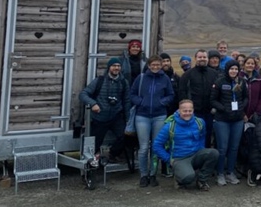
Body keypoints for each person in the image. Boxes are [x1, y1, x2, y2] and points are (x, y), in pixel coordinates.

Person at [153, 100, 219, 191]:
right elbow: (157, 145)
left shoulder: (199, 122)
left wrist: (201, 149)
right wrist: (169, 160)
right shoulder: (170, 126)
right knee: (188, 178)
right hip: (179, 158)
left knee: (214, 153)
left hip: (195, 154)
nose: (187, 113)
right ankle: (179, 177)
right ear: (179, 111)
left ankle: (201, 180)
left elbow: (202, 136)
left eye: (190, 111)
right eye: (184, 111)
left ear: (193, 110)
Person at [130, 55, 174, 187]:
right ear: (149, 66)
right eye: (153, 65)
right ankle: (143, 175)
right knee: (143, 148)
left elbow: (171, 95)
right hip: (142, 116)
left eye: (158, 65)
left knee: (156, 147)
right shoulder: (141, 78)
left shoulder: (165, 78)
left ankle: (153, 174)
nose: (155, 67)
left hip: (159, 116)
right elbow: (132, 94)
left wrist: (162, 102)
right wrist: (140, 102)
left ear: (161, 66)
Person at [79, 57, 131, 163]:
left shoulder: (124, 82)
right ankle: (93, 163)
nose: (116, 68)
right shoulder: (99, 80)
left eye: (118, 66)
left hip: (116, 117)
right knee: (95, 143)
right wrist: (93, 104)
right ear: (109, 67)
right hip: (100, 117)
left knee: (125, 136)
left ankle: (111, 154)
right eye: (114, 66)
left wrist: (128, 119)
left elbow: (126, 101)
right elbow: (83, 94)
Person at [211, 61, 248, 185]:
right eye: (231, 69)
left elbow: (246, 97)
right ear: (227, 70)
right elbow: (213, 100)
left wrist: (242, 107)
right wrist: (223, 108)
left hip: (237, 119)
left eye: (236, 69)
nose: (233, 71)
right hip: (222, 119)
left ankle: (230, 172)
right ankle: (220, 173)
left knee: (234, 147)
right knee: (222, 148)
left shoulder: (241, 81)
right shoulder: (220, 82)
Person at [178, 50, 216, 147]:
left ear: (207, 59)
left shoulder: (214, 74)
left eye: (204, 57)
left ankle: (206, 157)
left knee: (207, 135)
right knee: (193, 136)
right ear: (195, 59)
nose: (202, 59)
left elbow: (217, 92)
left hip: (209, 112)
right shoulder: (188, 75)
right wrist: (186, 109)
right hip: (194, 112)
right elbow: (182, 92)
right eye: (200, 57)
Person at [242, 56, 261, 120]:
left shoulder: (259, 79)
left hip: (254, 114)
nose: (250, 65)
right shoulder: (238, 78)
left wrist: (257, 112)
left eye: (252, 64)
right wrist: (242, 114)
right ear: (244, 65)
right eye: (248, 63)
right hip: (240, 114)